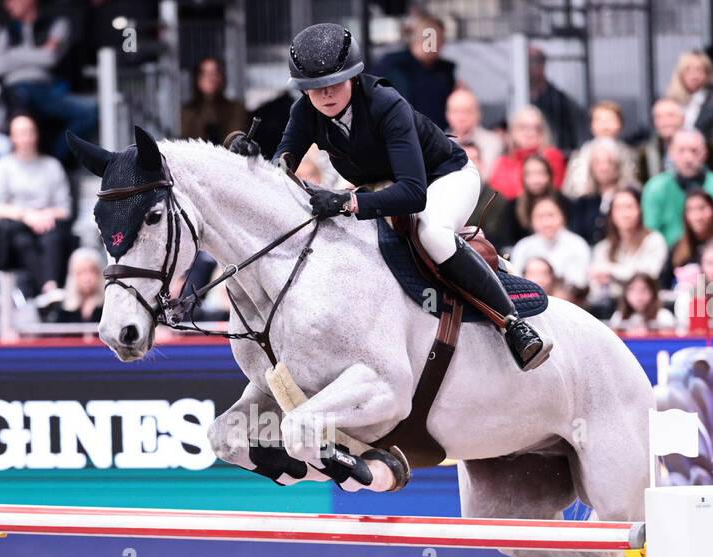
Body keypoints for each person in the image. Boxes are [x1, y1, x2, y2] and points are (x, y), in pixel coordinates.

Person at [233, 21, 546, 367]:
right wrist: (255, 160)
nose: (325, 94)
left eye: (333, 83)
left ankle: (512, 324)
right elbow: (285, 163)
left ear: (352, 76)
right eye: (314, 87)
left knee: (433, 235)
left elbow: (413, 194)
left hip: (441, 178)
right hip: (378, 189)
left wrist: (348, 202)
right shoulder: (305, 111)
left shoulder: (386, 104)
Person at [0, 0, 98, 158]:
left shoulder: (57, 24)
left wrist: (13, 55)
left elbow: (50, 58)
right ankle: (22, 160)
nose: (7, 5)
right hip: (16, 90)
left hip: (50, 91)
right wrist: (37, 54)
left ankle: (54, 158)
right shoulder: (5, 30)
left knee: (92, 110)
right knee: (20, 97)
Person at [0, 115, 71, 295]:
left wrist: (45, 215)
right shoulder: (1, 166)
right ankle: (46, 290)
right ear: (12, 137)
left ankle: (51, 288)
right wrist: (26, 215)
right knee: (22, 241)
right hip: (14, 226)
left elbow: (65, 209)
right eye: (21, 133)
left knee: (52, 239)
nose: (27, 137)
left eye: (30, 132)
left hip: (48, 223)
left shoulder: (52, 166)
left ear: (37, 135)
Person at [641, 130, 713, 246]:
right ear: (671, 153)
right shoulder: (655, 188)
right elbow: (650, 233)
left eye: (694, 151)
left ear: (705, 153)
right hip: (666, 255)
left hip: (709, 253)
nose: (688, 158)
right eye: (681, 151)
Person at [369, 13, 457, 129]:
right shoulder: (393, 65)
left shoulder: (445, 70)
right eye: (438, 40)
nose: (441, 45)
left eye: (442, 40)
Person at [588, 187, 668, 308]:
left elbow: (647, 275)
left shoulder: (654, 241)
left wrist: (610, 271)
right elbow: (596, 287)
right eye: (619, 208)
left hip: (648, 308)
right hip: (611, 308)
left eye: (629, 207)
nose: (625, 214)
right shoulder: (603, 248)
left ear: (639, 210)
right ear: (611, 215)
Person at [666, 51, 713, 170]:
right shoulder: (671, 101)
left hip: (708, 164)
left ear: (707, 73)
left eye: (699, 69)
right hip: (672, 162)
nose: (694, 75)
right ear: (680, 74)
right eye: (688, 69)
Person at [509, 195, 592, 292]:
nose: (546, 222)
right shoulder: (523, 246)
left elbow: (581, 283)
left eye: (551, 215)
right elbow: (516, 282)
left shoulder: (577, 244)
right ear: (531, 220)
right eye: (540, 217)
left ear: (562, 216)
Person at [562, 100, 639, 198]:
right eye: (599, 120)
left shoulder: (629, 153)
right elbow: (571, 189)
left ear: (620, 124)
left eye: (610, 119)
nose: (605, 125)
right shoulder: (582, 153)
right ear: (591, 126)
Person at [490, 106, 567, 200]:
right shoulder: (503, 163)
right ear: (513, 131)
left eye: (537, 128)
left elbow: (553, 193)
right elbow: (496, 197)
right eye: (523, 127)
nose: (530, 133)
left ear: (543, 132)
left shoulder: (552, 157)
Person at [495, 154, 562, 252]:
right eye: (530, 174)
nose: (536, 180)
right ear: (523, 178)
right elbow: (505, 241)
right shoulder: (513, 207)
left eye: (540, 173)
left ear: (549, 175)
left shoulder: (562, 202)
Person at [528, 46, 587, 151]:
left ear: (543, 64)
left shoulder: (559, 100)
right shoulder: (518, 97)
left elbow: (569, 136)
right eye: (528, 61)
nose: (530, 66)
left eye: (534, 61)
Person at [181, 57, 248, 145]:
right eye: (205, 74)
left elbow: (235, 142)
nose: (211, 78)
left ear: (222, 77)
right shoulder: (187, 112)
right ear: (196, 78)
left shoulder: (236, 110)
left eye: (215, 73)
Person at [446, 88, 503, 181]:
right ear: (447, 114)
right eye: (456, 111)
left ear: (478, 114)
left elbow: (488, 178)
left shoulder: (493, 142)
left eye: (467, 111)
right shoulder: (440, 143)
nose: (461, 117)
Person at [669, 189, 713, 277]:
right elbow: (664, 285)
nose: (697, 216)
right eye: (690, 210)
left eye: (702, 208)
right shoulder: (677, 250)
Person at [636, 97, 687, 183]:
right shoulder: (646, 153)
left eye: (670, 115)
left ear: (683, 119)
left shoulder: (696, 147)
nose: (665, 121)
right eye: (659, 117)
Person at [609, 273, 677, 335]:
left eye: (643, 290)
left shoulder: (664, 316)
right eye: (632, 290)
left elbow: (668, 342)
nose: (638, 296)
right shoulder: (618, 317)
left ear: (653, 293)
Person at [54, 247, 104, 323]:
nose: (87, 278)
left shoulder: (108, 308)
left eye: (92, 271)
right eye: (81, 272)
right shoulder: (65, 310)